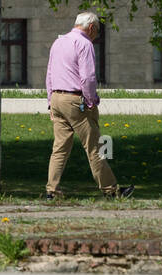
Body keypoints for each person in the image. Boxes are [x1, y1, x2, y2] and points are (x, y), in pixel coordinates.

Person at [44, 11, 132, 200]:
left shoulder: (58, 42)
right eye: (97, 30)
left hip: (57, 99)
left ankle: (52, 190)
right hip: (76, 101)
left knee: (59, 148)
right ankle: (111, 190)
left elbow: (49, 73)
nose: (96, 35)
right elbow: (88, 77)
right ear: (91, 27)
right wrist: (91, 101)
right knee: (94, 147)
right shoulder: (84, 44)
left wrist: (50, 102)